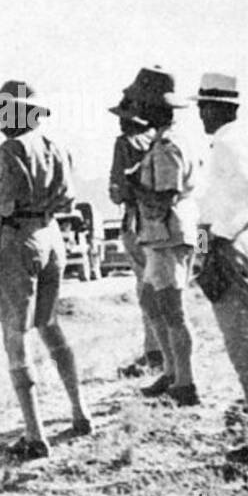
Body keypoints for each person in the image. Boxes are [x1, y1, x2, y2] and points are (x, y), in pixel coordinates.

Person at [0, 81, 92, 460]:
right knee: (50, 324)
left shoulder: (11, 148)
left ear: (18, 113)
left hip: (18, 238)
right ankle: (80, 411)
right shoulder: (56, 147)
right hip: (50, 235)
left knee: (16, 334)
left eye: (4, 109)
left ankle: (34, 434)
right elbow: (69, 197)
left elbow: (7, 203)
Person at [121, 68, 201, 407]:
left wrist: (132, 185)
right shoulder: (167, 139)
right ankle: (172, 373)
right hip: (163, 235)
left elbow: (164, 196)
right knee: (156, 303)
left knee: (172, 309)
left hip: (168, 233)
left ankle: (184, 381)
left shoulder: (167, 144)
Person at [191, 73, 248, 462]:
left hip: (230, 249)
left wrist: (219, 243)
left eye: (203, 107)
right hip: (222, 247)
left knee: (243, 345)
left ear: (219, 107)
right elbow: (203, 215)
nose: (199, 115)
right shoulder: (230, 142)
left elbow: (246, 193)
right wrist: (201, 253)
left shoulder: (230, 145)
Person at [110, 95, 165, 376]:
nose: (120, 122)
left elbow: (117, 191)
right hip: (164, 223)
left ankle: (155, 353)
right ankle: (163, 354)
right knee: (164, 289)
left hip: (136, 221)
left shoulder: (124, 144)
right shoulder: (160, 140)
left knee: (145, 290)